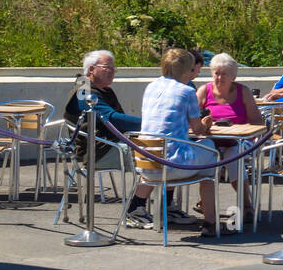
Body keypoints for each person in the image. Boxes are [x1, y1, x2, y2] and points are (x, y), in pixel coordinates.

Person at [126, 48, 223, 235]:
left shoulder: (151, 87)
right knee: (211, 151)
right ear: (187, 70)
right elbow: (197, 130)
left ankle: (159, 206)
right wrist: (205, 123)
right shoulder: (187, 92)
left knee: (176, 149)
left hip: (147, 163)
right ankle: (211, 221)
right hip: (173, 166)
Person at [198, 52, 263, 219]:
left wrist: (238, 128)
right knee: (208, 152)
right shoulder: (204, 91)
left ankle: (245, 203)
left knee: (234, 154)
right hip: (211, 140)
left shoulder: (244, 92)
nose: (219, 78)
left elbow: (257, 122)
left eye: (223, 74)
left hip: (240, 140)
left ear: (233, 76)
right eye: (216, 73)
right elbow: (192, 118)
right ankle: (205, 202)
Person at [64, 50, 142, 165]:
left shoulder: (103, 90)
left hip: (110, 143)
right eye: (107, 68)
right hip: (96, 152)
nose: (112, 72)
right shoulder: (84, 92)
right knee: (155, 153)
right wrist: (149, 124)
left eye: (113, 69)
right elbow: (112, 119)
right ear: (91, 69)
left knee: (156, 146)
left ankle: (148, 182)